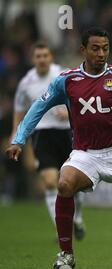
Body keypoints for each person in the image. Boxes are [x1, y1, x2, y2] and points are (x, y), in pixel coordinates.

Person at [6, 27, 112, 269]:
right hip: (86, 153)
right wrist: (19, 139)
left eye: (105, 49)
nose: (101, 54)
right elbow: (38, 107)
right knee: (64, 183)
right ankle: (66, 254)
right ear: (83, 50)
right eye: (96, 48)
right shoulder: (67, 81)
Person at [10, 42, 86, 240]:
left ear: (51, 58)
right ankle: (62, 229)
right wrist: (15, 135)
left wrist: (68, 110)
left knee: (72, 182)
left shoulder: (63, 75)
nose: (42, 59)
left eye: (45, 55)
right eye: (38, 56)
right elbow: (19, 109)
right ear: (33, 59)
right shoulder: (26, 83)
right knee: (50, 181)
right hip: (42, 135)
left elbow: (81, 99)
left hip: (67, 132)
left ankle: (77, 218)